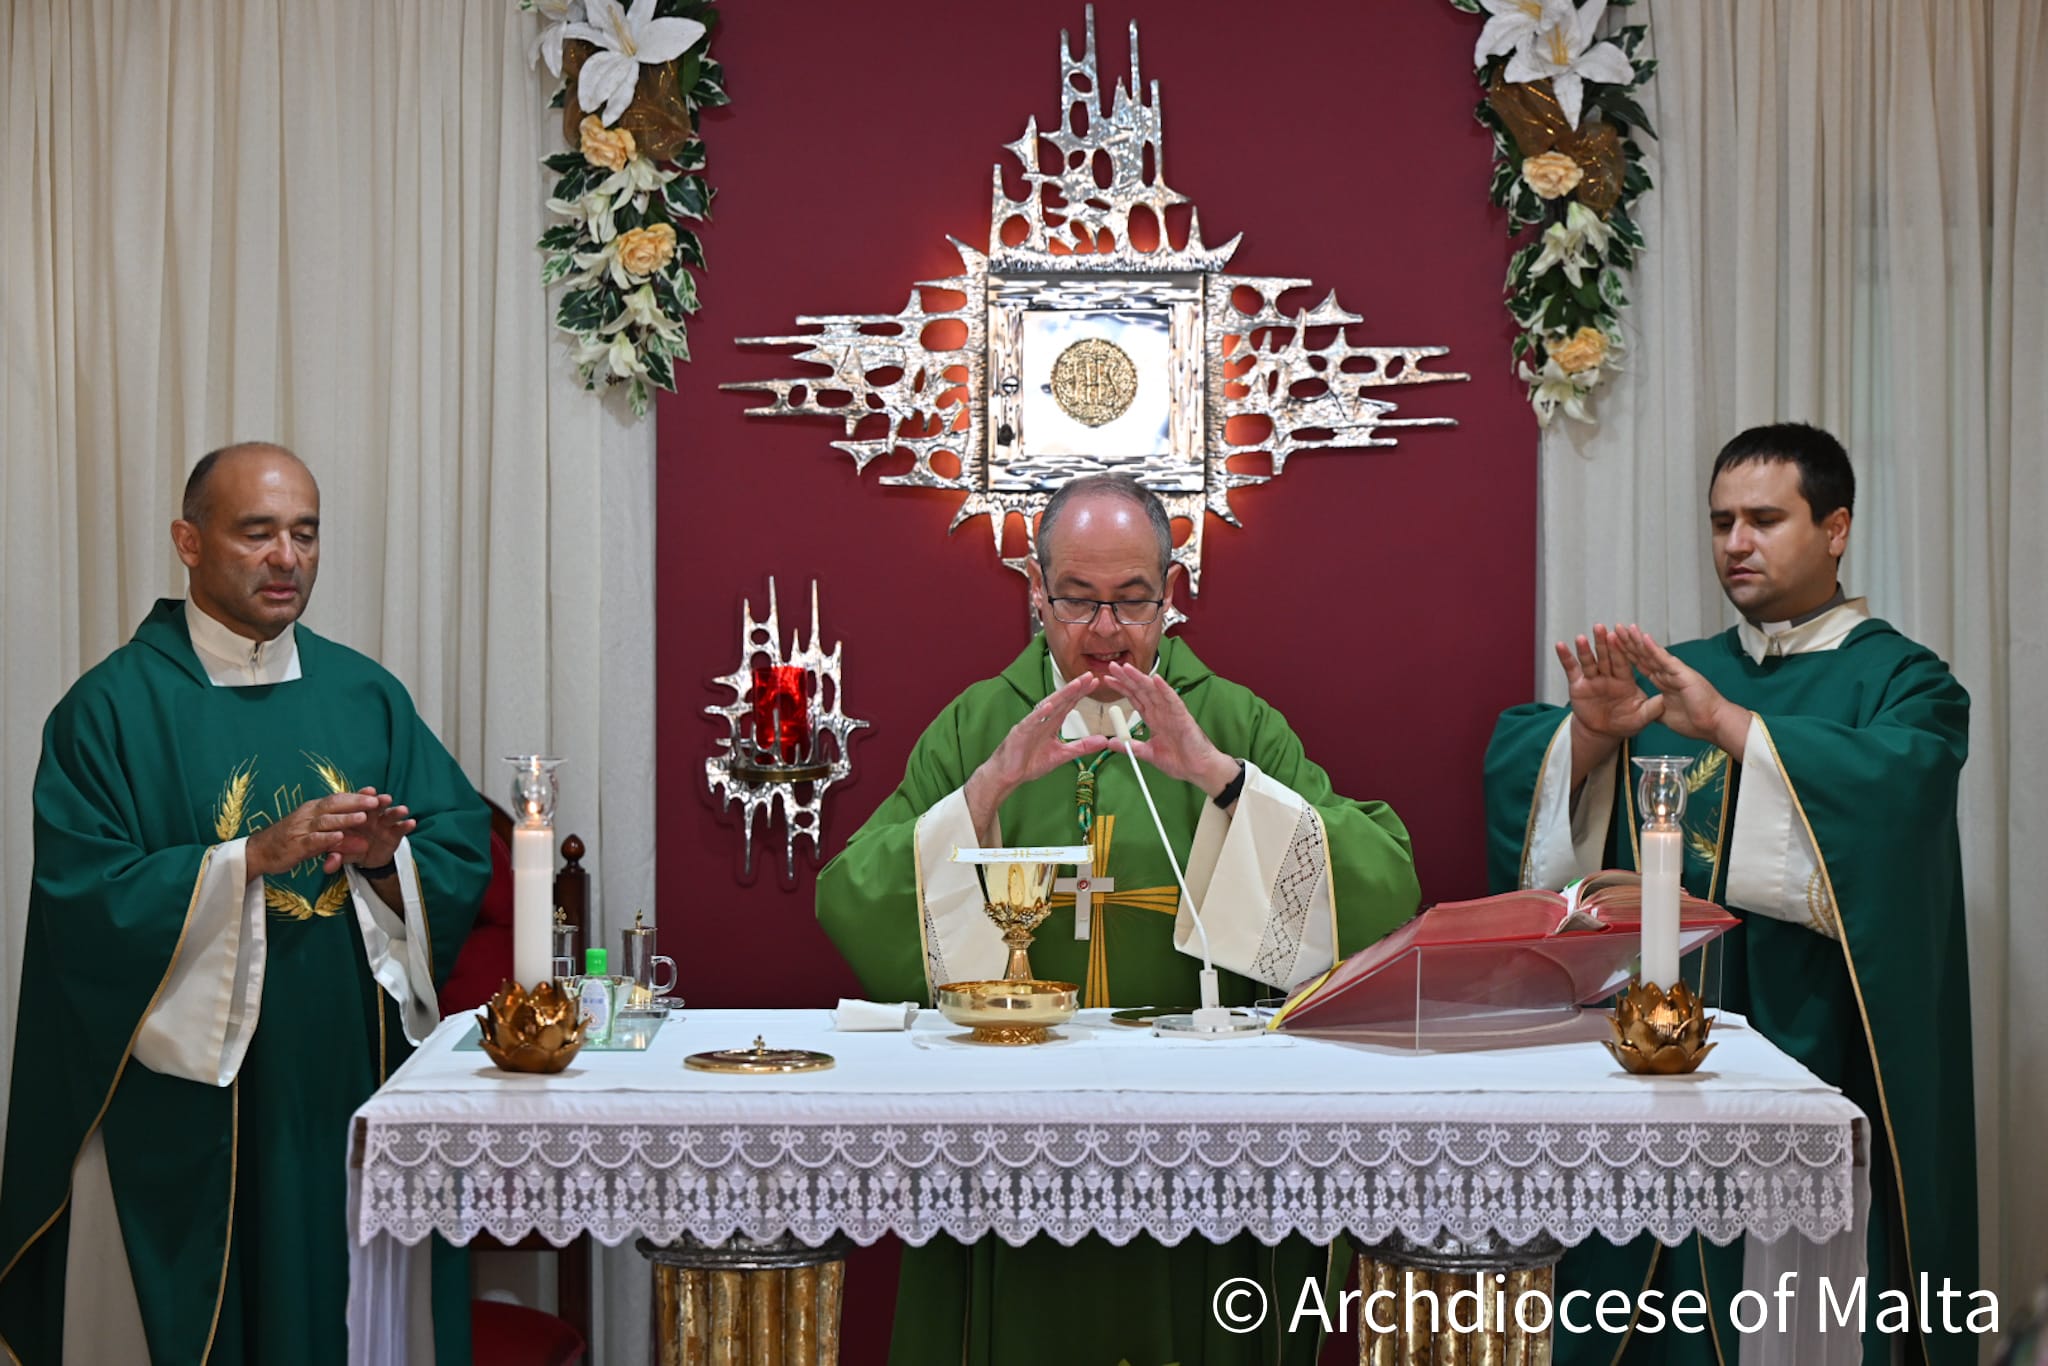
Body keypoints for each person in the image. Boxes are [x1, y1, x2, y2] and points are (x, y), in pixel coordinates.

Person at [817, 473, 1423, 1365]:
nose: (1105, 629)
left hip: (1203, 1151)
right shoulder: (979, 723)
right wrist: (986, 791)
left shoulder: (1231, 721)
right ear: (1035, 590)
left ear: (1171, 594)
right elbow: (854, 900)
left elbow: (1383, 887)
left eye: (1133, 600)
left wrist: (1223, 781)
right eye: (1078, 600)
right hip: (1011, 1150)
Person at [1483, 423, 1976, 1366]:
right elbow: (1530, 798)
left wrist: (1734, 726)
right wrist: (1587, 741)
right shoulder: (1666, 674)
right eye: (1720, 523)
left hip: (1816, 1043)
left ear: (1836, 529)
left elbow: (1897, 804)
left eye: (1763, 519)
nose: (1735, 544)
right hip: (1652, 1071)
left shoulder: (1903, 680)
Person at [0, 443, 492, 1364]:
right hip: (189, 1105)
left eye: (305, 534)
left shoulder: (364, 693)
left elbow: (456, 841)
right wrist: (248, 860)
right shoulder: (109, 710)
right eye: (257, 532)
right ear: (189, 541)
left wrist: (389, 868)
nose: (287, 558)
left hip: (344, 1072)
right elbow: (84, 899)